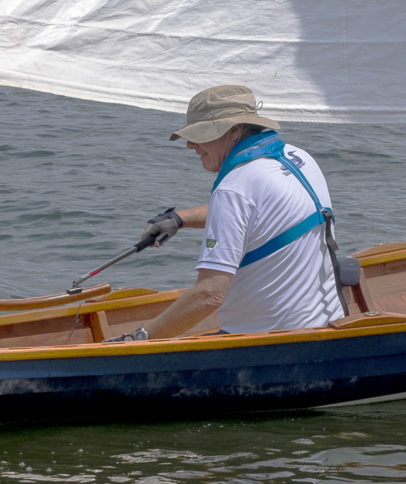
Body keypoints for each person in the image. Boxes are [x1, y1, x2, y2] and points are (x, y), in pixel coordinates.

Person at [106, 85, 344, 341]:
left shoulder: (234, 188)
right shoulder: (297, 157)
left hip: (267, 343)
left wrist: (138, 338)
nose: (190, 145)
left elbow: (210, 294)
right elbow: (257, 209)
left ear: (234, 130)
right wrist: (179, 219)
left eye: (200, 134)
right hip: (327, 325)